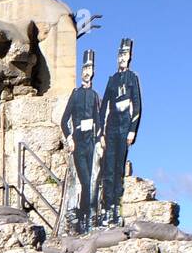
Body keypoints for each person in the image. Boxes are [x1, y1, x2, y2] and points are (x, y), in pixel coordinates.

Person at [96, 38, 142, 227]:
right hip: (111, 125)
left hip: (124, 124)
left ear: (130, 56)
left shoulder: (132, 77)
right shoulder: (112, 80)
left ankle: (116, 207)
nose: (122, 58)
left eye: (125, 55)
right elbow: (104, 105)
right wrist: (101, 133)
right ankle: (106, 207)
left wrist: (132, 130)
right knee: (108, 168)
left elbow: (137, 105)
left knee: (118, 168)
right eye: (120, 55)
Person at [60, 50, 101, 234]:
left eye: (90, 68)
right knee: (84, 180)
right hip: (78, 140)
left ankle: (89, 216)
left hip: (90, 140)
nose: (87, 71)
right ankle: (81, 215)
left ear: (93, 71)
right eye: (85, 67)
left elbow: (99, 121)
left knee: (91, 181)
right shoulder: (75, 94)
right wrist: (69, 138)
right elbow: (64, 119)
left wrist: (100, 139)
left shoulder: (94, 96)